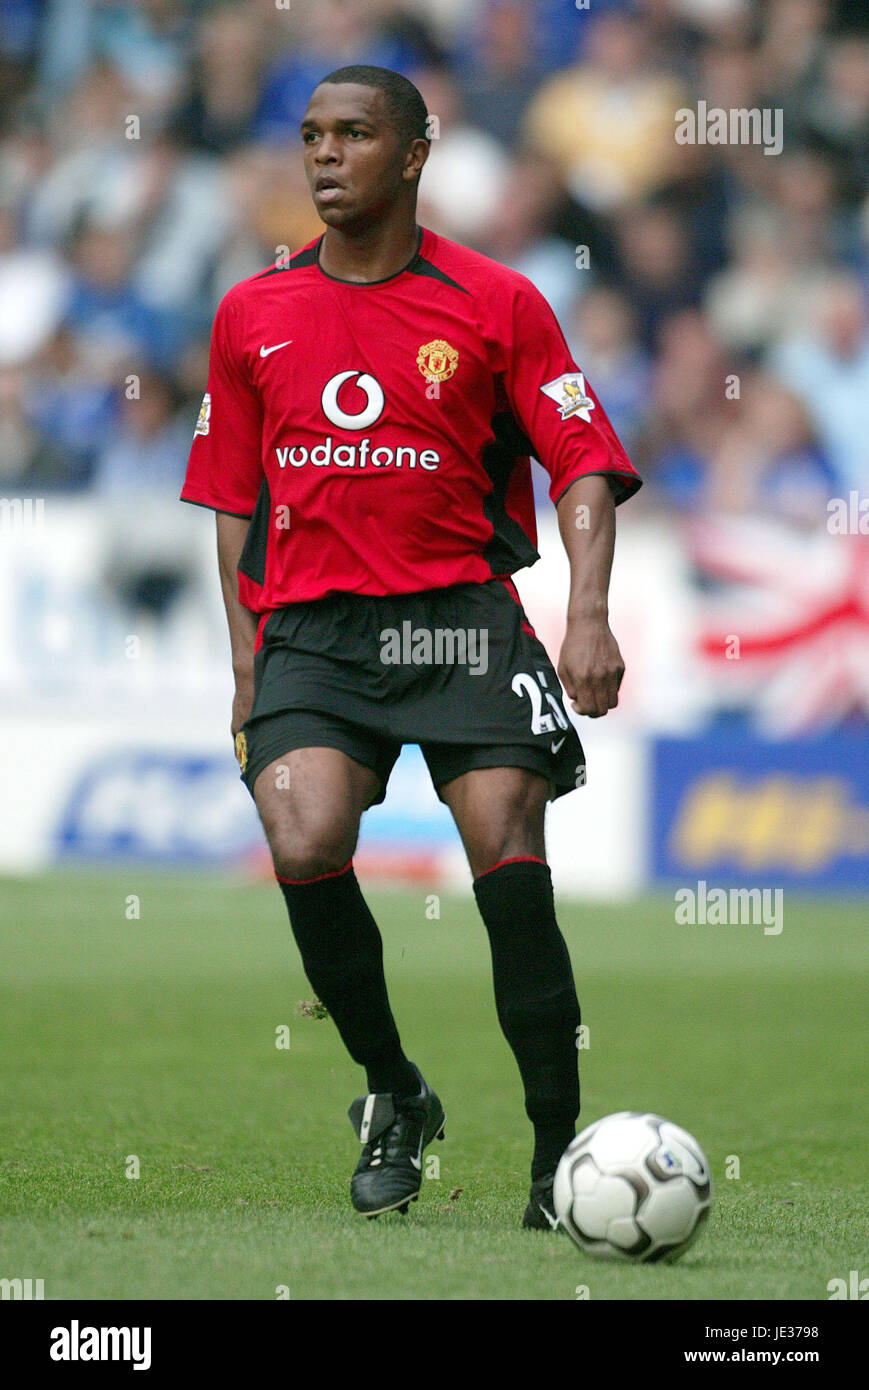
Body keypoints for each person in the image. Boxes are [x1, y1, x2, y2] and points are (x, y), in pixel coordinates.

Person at [181, 65, 641, 1226]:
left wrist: (584, 610)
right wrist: (247, 664)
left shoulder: (497, 302)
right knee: (302, 831)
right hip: (315, 633)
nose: (325, 156)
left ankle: (554, 1163)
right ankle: (393, 1087)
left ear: (415, 153)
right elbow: (233, 497)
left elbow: (580, 457)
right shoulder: (251, 312)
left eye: (353, 134)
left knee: (505, 851)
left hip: (461, 620)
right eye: (310, 136)